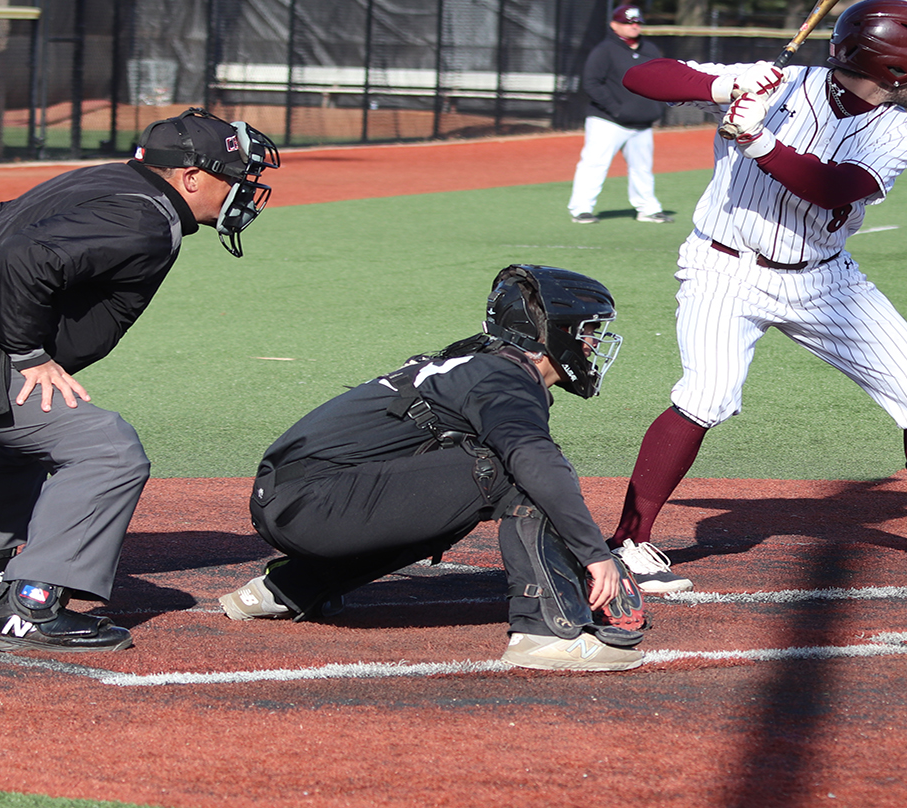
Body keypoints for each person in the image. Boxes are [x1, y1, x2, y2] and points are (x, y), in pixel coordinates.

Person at [600, 0, 907, 595]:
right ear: (888, 64)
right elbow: (643, 77)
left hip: (825, 279)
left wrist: (758, 139)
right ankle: (627, 543)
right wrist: (725, 88)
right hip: (724, 270)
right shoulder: (781, 83)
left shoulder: (900, 128)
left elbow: (831, 187)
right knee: (707, 396)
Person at [0, 108, 281, 652]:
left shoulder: (104, 179)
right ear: (193, 177)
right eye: (236, 177)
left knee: (30, 436)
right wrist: (26, 352)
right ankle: (30, 607)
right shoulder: (145, 216)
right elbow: (23, 255)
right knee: (108, 452)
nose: (244, 191)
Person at [217, 265, 648, 673]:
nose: (591, 344)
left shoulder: (479, 363)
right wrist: (595, 555)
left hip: (296, 499)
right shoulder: (502, 376)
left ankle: (290, 588)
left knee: (467, 492)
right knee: (509, 472)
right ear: (549, 332)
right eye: (585, 331)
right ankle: (545, 634)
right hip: (311, 503)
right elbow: (536, 465)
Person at [567, 4, 674, 225]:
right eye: (627, 22)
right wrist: (616, 108)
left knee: (642, 169)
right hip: (607, 121)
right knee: (594, 164)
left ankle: (648, 209)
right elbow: (591, 83)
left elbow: (662, 79)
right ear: (614, 25)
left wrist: (656, 108)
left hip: (642, 122)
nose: (634, 26)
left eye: (637, 22)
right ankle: (581, 209)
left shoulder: (650, 49)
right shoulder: (604, 50)